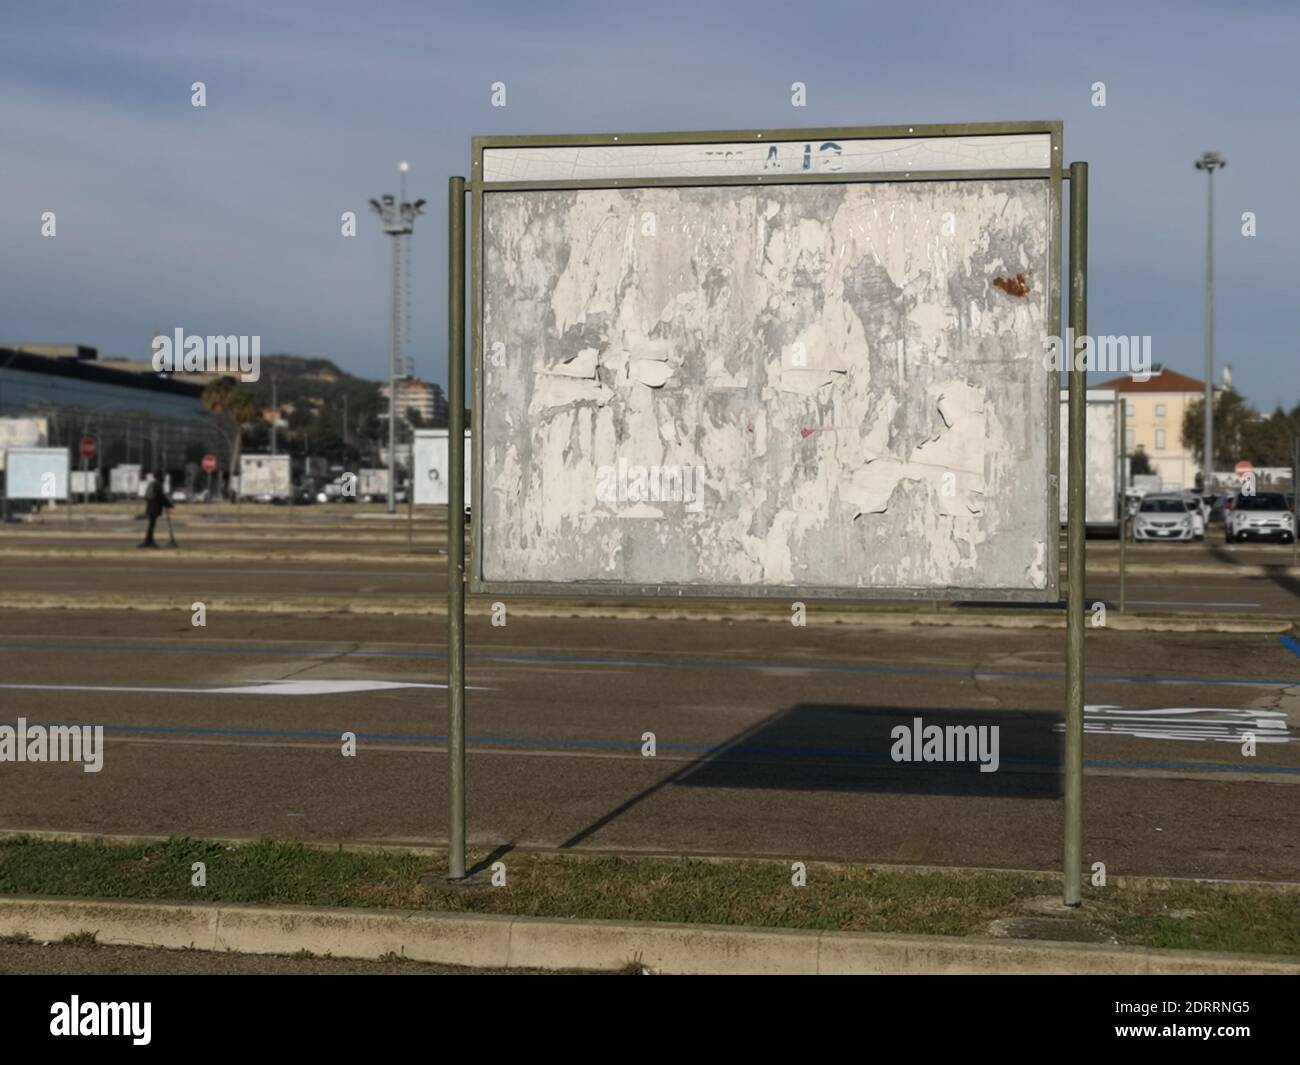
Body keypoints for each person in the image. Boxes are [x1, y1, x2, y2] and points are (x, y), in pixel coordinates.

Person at [139, 472, 173, 548]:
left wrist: (167, 504)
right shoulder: (157, 485)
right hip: (154, 508)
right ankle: (148, 541)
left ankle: (148, 541)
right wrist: (168, 504)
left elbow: (154, 496)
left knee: (151, 525)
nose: (163, 479)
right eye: (162, 477)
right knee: (151, 525)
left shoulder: (153, 484)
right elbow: (161, 496)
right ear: (160, 478)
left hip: (150, 507)